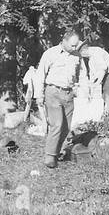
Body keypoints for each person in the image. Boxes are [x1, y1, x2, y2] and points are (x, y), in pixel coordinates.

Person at [34, 28, 84, 169]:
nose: (74, 48)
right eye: (72, 45)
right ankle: (49, 156)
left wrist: (80, 89)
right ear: (64, 41)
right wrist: (39, 95)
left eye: (76, 45)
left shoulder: (77, 56)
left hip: (68, 94)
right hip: (53, 92)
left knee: (66, 127)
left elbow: (81, 75)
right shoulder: (50, 54)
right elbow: (40, 75)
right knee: (56, 124)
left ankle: (57, 152)